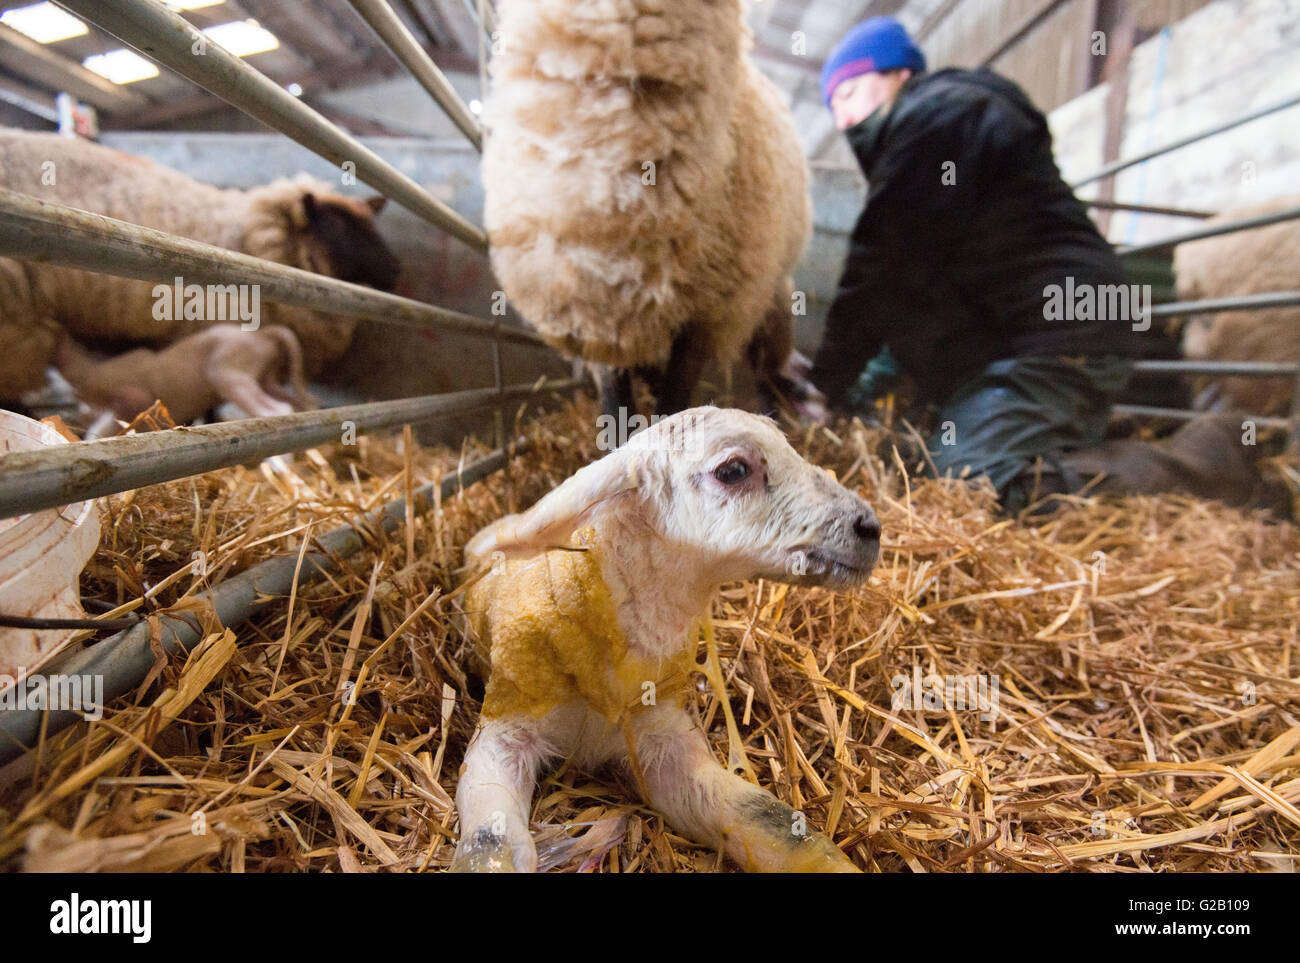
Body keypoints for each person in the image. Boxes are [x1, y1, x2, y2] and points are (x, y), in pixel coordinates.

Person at [807, 17, 1146, 512]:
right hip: (1024, 337)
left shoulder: (940, 117)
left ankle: (1183, 470)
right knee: (909, 454)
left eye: (849, 93)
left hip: (1064, 331)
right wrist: (855, 391)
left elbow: (882, 269)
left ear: (900, 74)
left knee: (965, 482)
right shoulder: (934, 137)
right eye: (834, 108)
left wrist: (823, 385)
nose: (844, 120)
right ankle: (1065, 435)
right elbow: (911, 296)